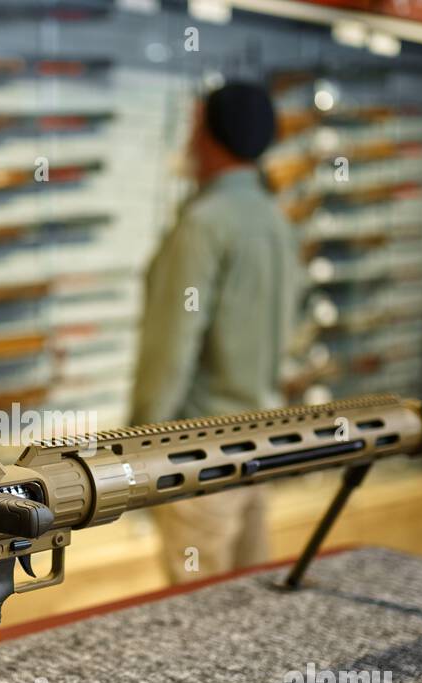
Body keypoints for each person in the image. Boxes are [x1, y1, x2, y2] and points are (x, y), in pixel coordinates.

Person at [130, 80, 302, 585]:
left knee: (197, 613)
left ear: (209, 135)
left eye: (195, 125)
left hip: (200, 451)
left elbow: (171, 348)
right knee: (251, 604)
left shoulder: (205, 224)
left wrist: (137, 445)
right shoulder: (275, 219)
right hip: (264, 438)